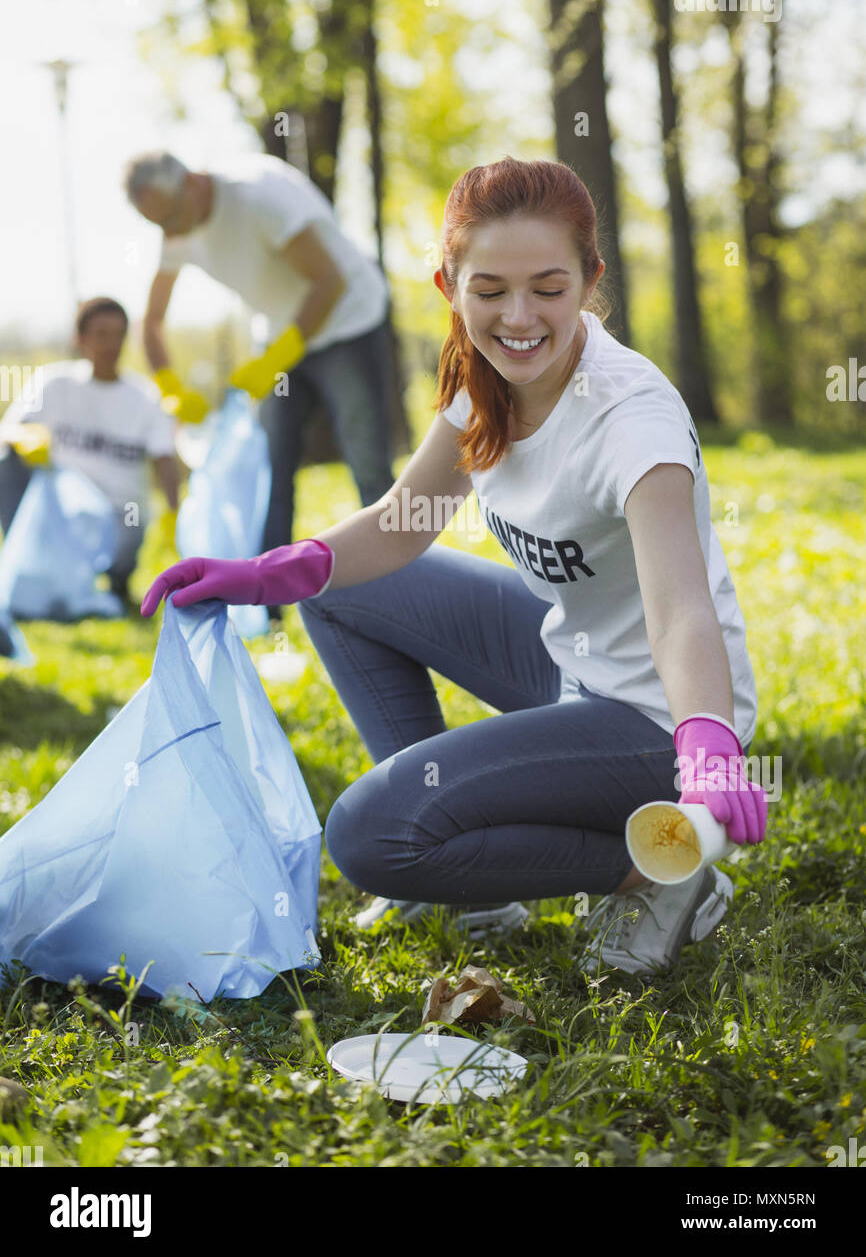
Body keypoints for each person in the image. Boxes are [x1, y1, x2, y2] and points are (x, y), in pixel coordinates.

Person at [139, 157, 767, 975]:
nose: (519, 317)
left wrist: (709, 744)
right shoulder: (485, 381)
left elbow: (681, 611)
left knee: (369, 835)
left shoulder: (631, 419)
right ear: (449, 286)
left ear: (590, 278)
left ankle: (655, 870)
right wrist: (263, 573)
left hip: (656, 721)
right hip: (566, 665)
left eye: (548, 287)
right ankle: (473, 884)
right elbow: (399, 529)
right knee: (340, 592)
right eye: (490, 290)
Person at [125, 149, 395, 615]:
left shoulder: (259, 194)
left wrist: (281, 355)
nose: (168, 234)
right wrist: (169, 384)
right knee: (269, 470)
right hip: (279, 333)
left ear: (191, 181)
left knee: (368, 461)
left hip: (349, 321)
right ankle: (267, 606)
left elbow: (328, 281)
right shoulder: (175, 224)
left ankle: (404, 586)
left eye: (169, 218)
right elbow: (151, 322)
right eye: (157, 225)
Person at [0, 296, 179, 604]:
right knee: (6, 462)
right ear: (80, 339)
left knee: (130, 527)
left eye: (118, 335)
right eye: (101, 335)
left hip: (118, 517)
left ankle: (116, 581)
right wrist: (25, 437)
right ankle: (29, 568)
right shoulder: (53, 384)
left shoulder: (144, 397)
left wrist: (173, 514)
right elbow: (7, 431)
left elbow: (165, 458)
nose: (111, 344)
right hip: (62, 514)